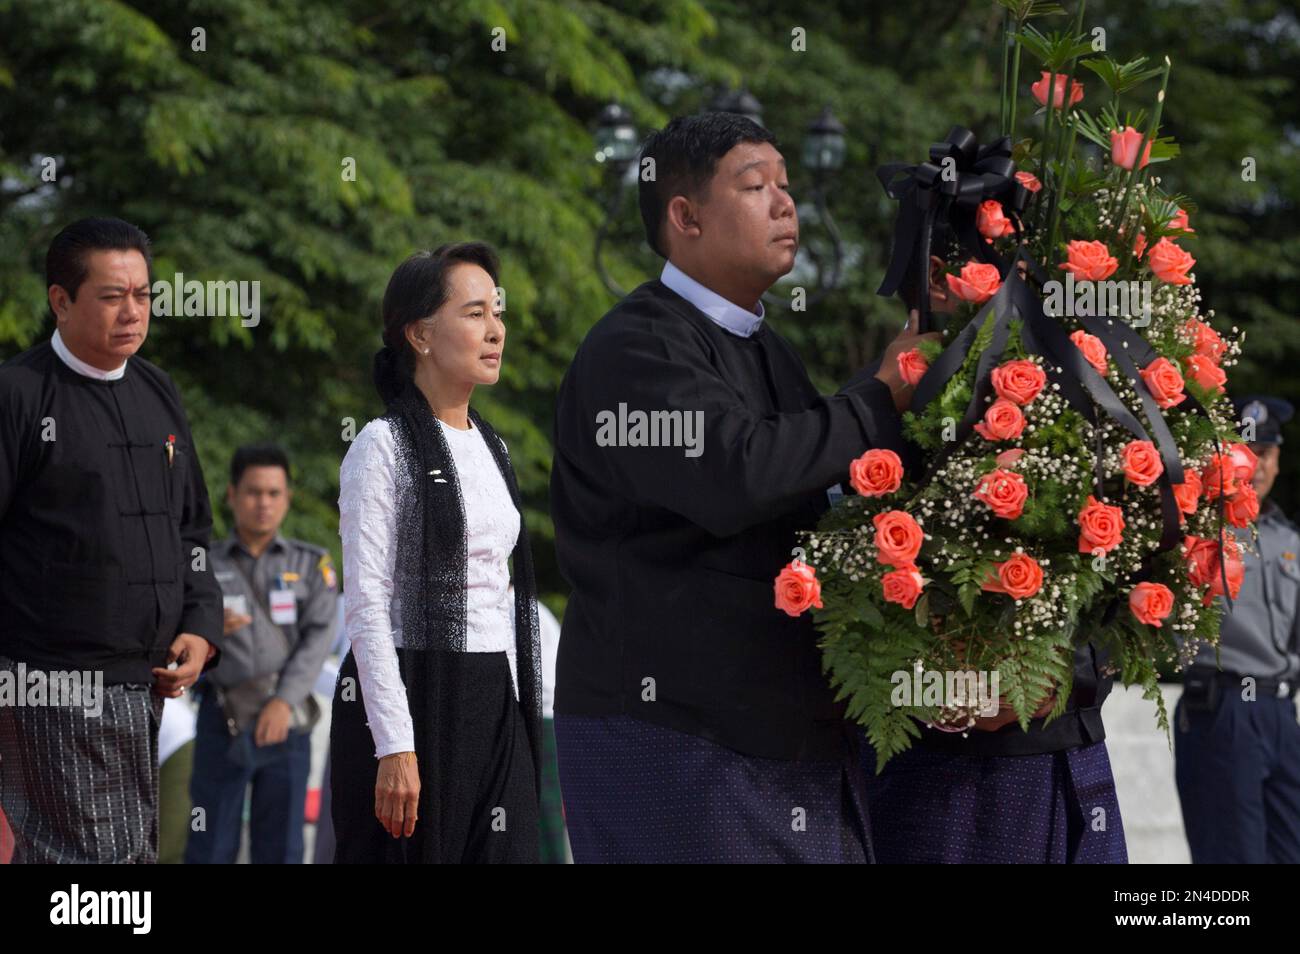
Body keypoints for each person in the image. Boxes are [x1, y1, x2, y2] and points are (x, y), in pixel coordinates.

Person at [549, 112, 936, 863]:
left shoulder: (761, 342)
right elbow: (739, 472)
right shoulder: (635, 346)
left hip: (770, 734)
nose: (786, 204)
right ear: (685, 216)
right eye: (756, 186)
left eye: (787, 186)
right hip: (672, 733)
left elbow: (807, 470)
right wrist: (879, 397)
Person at [861, 251, 1127, 864]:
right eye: (951, 272)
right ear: (926, 280)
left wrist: (1070, 673)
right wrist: (937, 690)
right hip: (925, 778)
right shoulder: (876, 410)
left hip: (1061, 754)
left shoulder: (1094, 398)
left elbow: (1145, 580)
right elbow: (840, 611)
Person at [0, 217, 222, 863]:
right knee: (87, 855)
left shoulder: (157, 389)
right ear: (60, 301)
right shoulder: (17, 395)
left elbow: (192, 526)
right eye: (111, 295)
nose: (133, 312)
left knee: (120, 853)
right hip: (48, 677)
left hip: (145, 680)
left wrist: (201, 624)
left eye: (144, 295)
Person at [330, 242, 543, 863]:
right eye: (475, 313)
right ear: (421, 334)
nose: (496, 330)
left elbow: (500, 593)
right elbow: (367, 606)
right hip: (410, 693)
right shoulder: (381, 446)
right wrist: (395, 745)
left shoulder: (494, 448)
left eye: (496, 314)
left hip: (491, 694)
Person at [184, 443, 338, 864]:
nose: (263, 504)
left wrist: (283, 702)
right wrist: (208, 629)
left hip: (287, 725)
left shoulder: (311, 564)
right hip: (222, 719)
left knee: (282, 849)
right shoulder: (200, 565)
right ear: (232, 495)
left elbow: (318, 638)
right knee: (210, 846)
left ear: (288, 498)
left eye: (274, 493)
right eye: (253, 492)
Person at [1175, 394, 1300, 863]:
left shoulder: (1291, 541)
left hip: (1281, 714)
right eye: (1249, 452)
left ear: (1278, 459)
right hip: (1223, 709)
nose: (1259, 465)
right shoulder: (1198, 529)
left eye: (1266, 453)